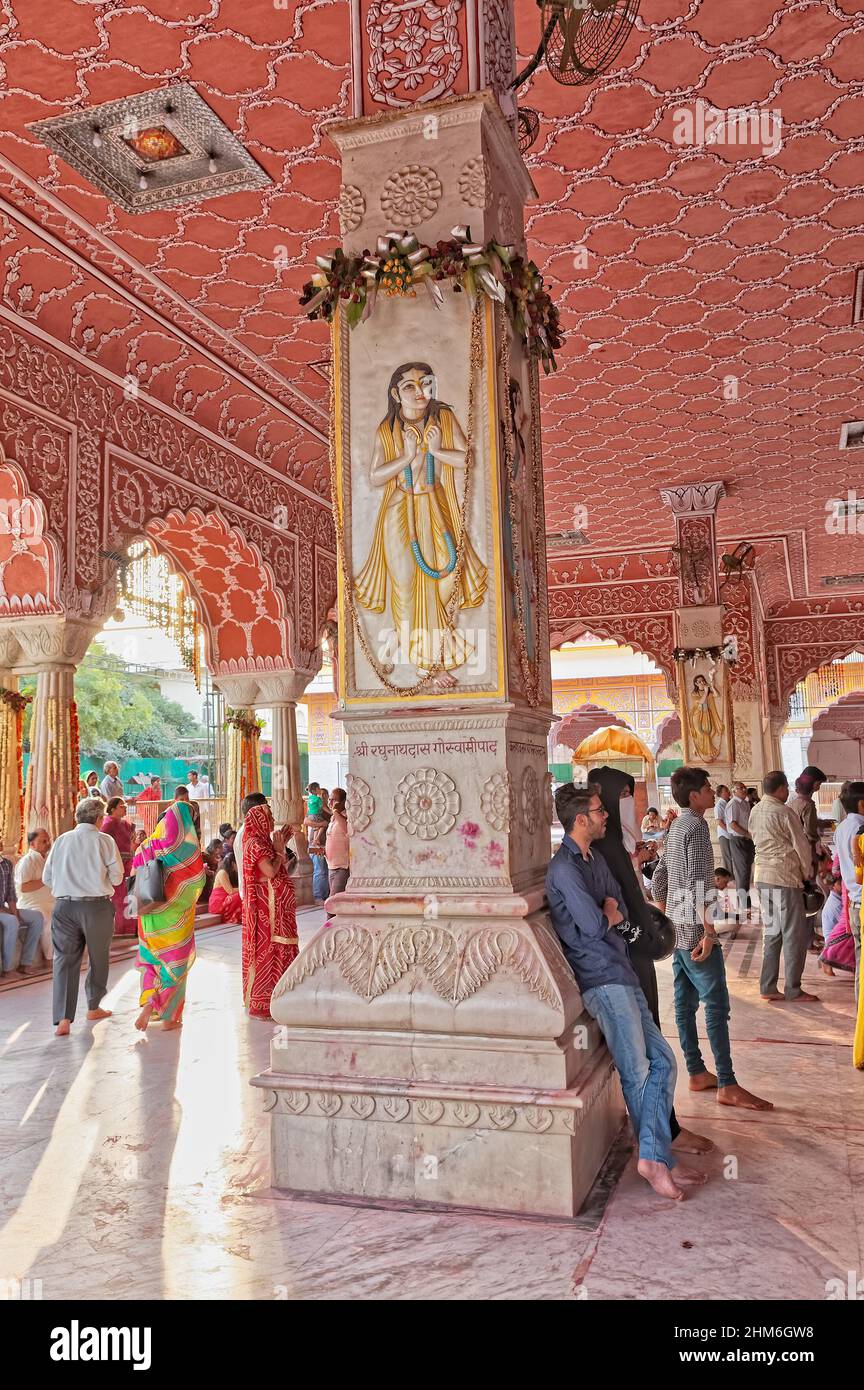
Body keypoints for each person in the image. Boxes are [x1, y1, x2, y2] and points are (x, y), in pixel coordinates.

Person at [546, 782, 708, 1201]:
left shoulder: (594, 858)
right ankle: (656, 1160)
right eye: (599, 811)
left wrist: (608, 912)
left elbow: (615, 905)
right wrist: (607, 913)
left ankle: (655, 1155)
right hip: (600, 977)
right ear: (580, 819)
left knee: (664, 1062)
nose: (605, 817)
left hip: (620, 969)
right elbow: (595, 924)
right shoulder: (563, 870)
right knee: (638, 1071)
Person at [590, 765, 712, 1157]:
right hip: (626, 959)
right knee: (649, 1053)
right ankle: (662, 1136)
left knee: (652, 1047)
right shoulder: (606, 848)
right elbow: (614, 913)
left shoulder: (620, 845)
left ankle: (663, 1129)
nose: (626, 804)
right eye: (622, 796)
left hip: (636, 954)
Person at [354, 361, 487, 675]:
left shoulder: (442, 417)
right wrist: (407, 456)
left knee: (449, 576)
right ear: (395, 394)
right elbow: (374, 476)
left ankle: (432, 650)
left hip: (435, 504)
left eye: (425, 384)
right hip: (400, 509)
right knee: (404, 584)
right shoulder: (388, 429)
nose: (419, 393)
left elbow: (467, 458)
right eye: (409, 387)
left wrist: (437, 451)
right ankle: (423, 665)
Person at [663, 765, 772, 1111]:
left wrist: (668, 916)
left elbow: (662, 877)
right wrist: (708, 932)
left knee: (684, 1004)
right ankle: (727, 1082)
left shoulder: (676, 825)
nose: (713, 793)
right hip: (696, 930)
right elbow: (698, 884)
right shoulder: (695, 825)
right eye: (708, 789)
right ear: (694, 796)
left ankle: (696, 1072)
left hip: (678, 928)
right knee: (716, 1005)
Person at [43, 798, 124, 1036]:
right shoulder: (104, 840)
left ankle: (64, 1019)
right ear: (100, 818)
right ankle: (93, 1007)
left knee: (64, 961)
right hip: (96, 907)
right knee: (98, 959)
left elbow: (48, 878)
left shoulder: (61, 840)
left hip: (64, 907)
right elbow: (118, 878)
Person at [132, 797, 205, 1032]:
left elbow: (135, 873)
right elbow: (197, 881)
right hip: (175, 918)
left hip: (149, 914)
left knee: (153, 960)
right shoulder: (186, 850)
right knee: (174, 964)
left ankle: (150, 1003)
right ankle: (167, 1016)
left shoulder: (146, 846)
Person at [749, 770, 818, 1004]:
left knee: (772, 933)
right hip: (784, 877)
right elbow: (801, 846)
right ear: (780, 789)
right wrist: (808, 872)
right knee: (793, 935)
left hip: (762, 877)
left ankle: (768, 986)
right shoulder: (785, 812)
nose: (788, 791)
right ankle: (793, 988)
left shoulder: (755, 810)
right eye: (786, 787)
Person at [241, 800, 299, 1019]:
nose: (273, 821)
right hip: (268, 911)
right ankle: (265, 1003)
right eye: (270, 817)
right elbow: (271, 871)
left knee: (281, 947)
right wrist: (279, 850)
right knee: (270, 949)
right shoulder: (256, 844)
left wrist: (280, 844)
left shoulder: (262, 841)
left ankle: (284, 997)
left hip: (276, 908)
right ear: (260, 820)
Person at [835, 782, 864, 997]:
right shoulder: (860, 831)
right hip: (861, 900)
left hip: (854, 902)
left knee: (861, 966)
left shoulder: (843, 827)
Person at [0, 846, 43, 978]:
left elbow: (11, 892)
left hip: (4, 908)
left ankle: (25, 963)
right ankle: (8, 969)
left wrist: (14, 912)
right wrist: (9, 913)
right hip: (2, 909)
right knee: (12, 921)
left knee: (37, 917)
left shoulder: (6, 864)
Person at [14, 828, 55, 963]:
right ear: (32, 844)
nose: (47, 843)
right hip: (31, 905)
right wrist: (45, 879)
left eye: (48, 840)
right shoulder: (27, 861)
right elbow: (23, 887)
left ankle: (67, 956)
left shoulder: (46, 860)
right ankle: (50, 959)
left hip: (50, 903)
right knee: (48, 920)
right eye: (43, 841)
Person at [100, 797, 136, 935]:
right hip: (116, 865)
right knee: (120, 897)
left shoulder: (126, 824)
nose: (125, 807)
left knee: (129, 895)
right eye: (122, 806)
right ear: (113, 809)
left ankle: (131, 928)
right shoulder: (108, 823)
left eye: (125, 805)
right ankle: (121, 929)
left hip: (129, 864)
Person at [788, 767, 827, 881]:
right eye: (819, 783)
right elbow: (810, 832)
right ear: (813, 783)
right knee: (809, 881)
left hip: (793, 846)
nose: (819, 786)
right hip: (806, 848)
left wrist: (819, 822)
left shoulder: (793, 802)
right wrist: (818, 850)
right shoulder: (808, 805)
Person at [726, 780, 755, 911]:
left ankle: (746, 903)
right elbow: (733, 824)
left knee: (747, 871)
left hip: (747, 839)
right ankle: (743, 904)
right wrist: (747, 834)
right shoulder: (733, 804)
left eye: (744, 787)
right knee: (742, 871)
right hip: (738, 840)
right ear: (734, 791)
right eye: (740, 788)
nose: (744, 789)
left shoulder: (745, 803)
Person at [234, 792, 268, 900]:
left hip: (254, 892)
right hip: (255, 893)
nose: (269, 812)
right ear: (257, 811)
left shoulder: (251, 832)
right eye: (266, 807)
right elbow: (269, 870)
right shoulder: (248, 835)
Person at [325, 787, 350, 901]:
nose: (330, 803)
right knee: (335, 903)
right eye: (329, 799)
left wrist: (336, 812)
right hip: (331, 865)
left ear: (343, 802)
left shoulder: (346, 816)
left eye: (334, 800)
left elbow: (347, 830)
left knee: (333, 902)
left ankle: (329, 920)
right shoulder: (333, 818)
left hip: (342, 866)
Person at [305, 793, 330, 904]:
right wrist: (322, 824)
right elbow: (306, 821)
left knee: (325, 871)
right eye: (321, 795)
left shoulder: (328, 812)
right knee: (319, 871)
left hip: (326, 844)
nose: (322, 797)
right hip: (317, 845)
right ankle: (319, 896)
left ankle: (325, 895)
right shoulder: (315, 811)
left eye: (325, 795)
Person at [209, 848, 243, 923]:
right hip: (217, 904)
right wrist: (244, 888)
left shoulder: (230, 873)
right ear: (233, 863)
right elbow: (230, 891)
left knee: (241, 895)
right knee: (239, 896)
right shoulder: (222, 873)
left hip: (224, 900)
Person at [714, 784, 733, 876]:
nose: (729, 792)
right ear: (721, 793)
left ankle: (733, 876)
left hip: (731, 833)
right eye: (726, 791)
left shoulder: (729, 802)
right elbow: (719, 821)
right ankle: (729, 877)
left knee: (733, 856)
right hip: (724, 834)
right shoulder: (719, 805)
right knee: (727, 857)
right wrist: (729, 831)